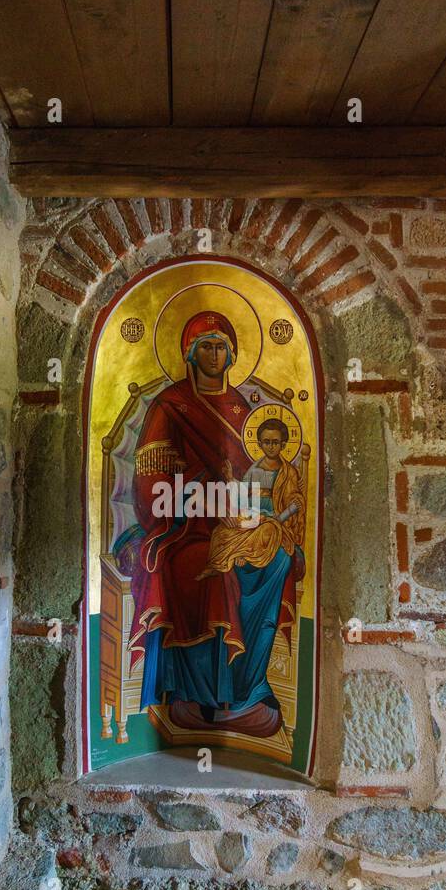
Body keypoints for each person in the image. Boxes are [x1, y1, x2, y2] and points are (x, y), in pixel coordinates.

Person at [124, 310, 304, 739]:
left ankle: (247, 691)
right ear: (189, 352)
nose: (214, 353)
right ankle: (195, 696)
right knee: (208, 574)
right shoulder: (170, 406)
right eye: (206, 345)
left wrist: (252, 502)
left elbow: (258, 474)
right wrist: (200, 492)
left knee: (278, 562)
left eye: (222, 345)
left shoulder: (241, 409)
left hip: (237, 521)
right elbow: (150, 483)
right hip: (184, 527)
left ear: (233, 353)